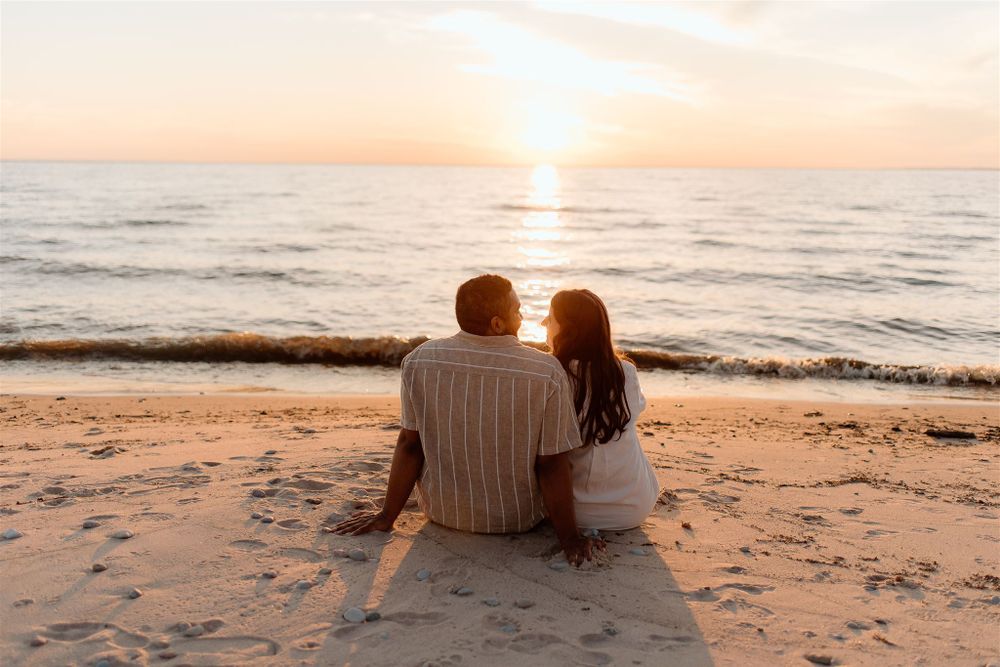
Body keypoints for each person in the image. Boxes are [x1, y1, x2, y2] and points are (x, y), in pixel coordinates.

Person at [332, 274, 603, 565]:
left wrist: (387, 516)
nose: (523, 317)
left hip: (443, 513)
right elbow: (551, 464)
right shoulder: (545, 372)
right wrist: (570, 540)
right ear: (497, 324)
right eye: (517, 310)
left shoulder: (418, 361)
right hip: (517, 518)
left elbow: (410, 447)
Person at [541, 289, 659, 531]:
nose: (543, 322)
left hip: (570, 512)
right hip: (635, 508)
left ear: (568, 329)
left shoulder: (551, 375)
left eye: (550, 318)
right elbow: (636, 409)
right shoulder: (625, 373)